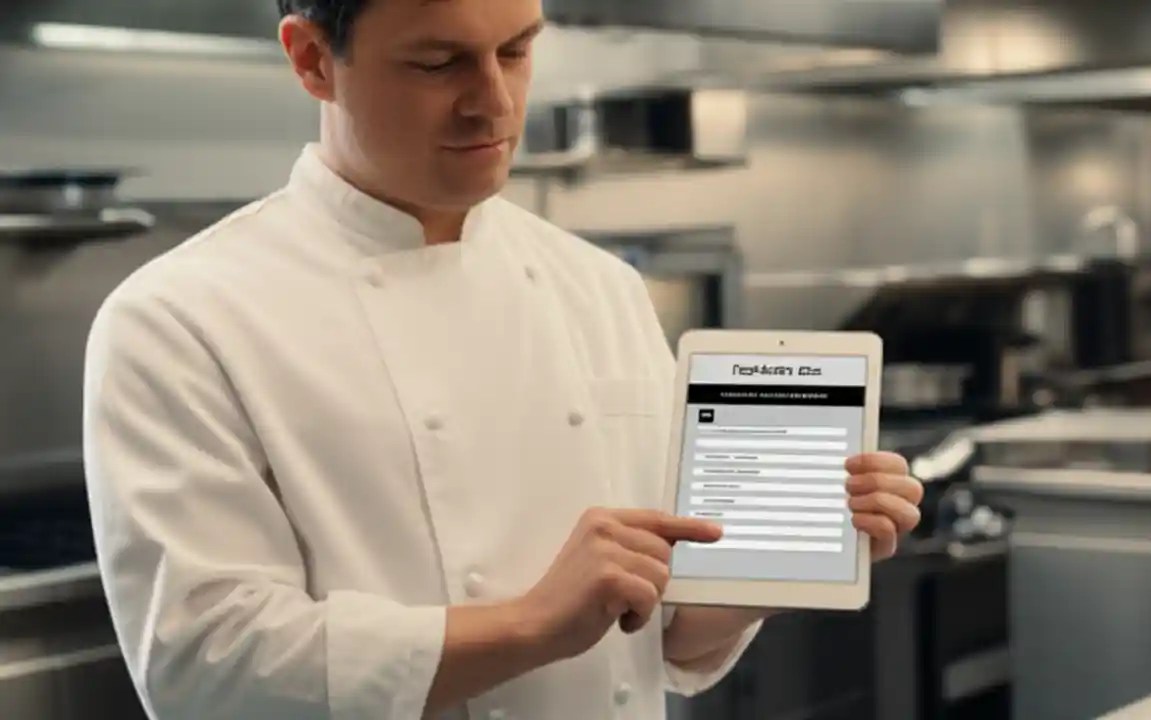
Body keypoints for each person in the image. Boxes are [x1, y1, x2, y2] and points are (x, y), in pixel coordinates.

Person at [81, 1, 925, 718]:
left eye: (517, 50)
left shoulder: (599, 286)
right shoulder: (181, 319)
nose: (494, 104)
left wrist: (781, 562)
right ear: (312, 61)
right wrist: (528, 624)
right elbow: (205, 667)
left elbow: (658, 632)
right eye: (438, 62)